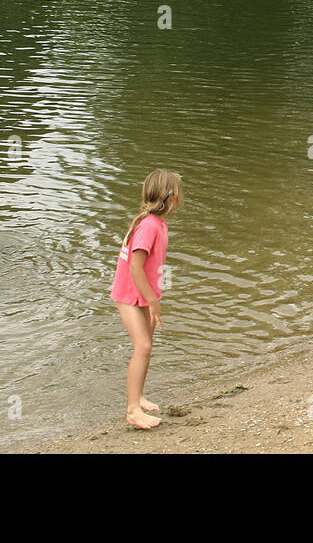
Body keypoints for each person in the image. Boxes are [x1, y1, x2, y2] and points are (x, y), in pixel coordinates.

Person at [111, 170, 182, 430]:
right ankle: (132, 411)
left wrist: (151, 297)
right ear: (171, 199)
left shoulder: (157, 223)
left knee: (146, 345)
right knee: (142, 346)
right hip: (130, 295)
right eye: (180, 191)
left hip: (143, 293)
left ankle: (138, 397)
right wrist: (152, 301)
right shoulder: (149, 225)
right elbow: (135, 267)